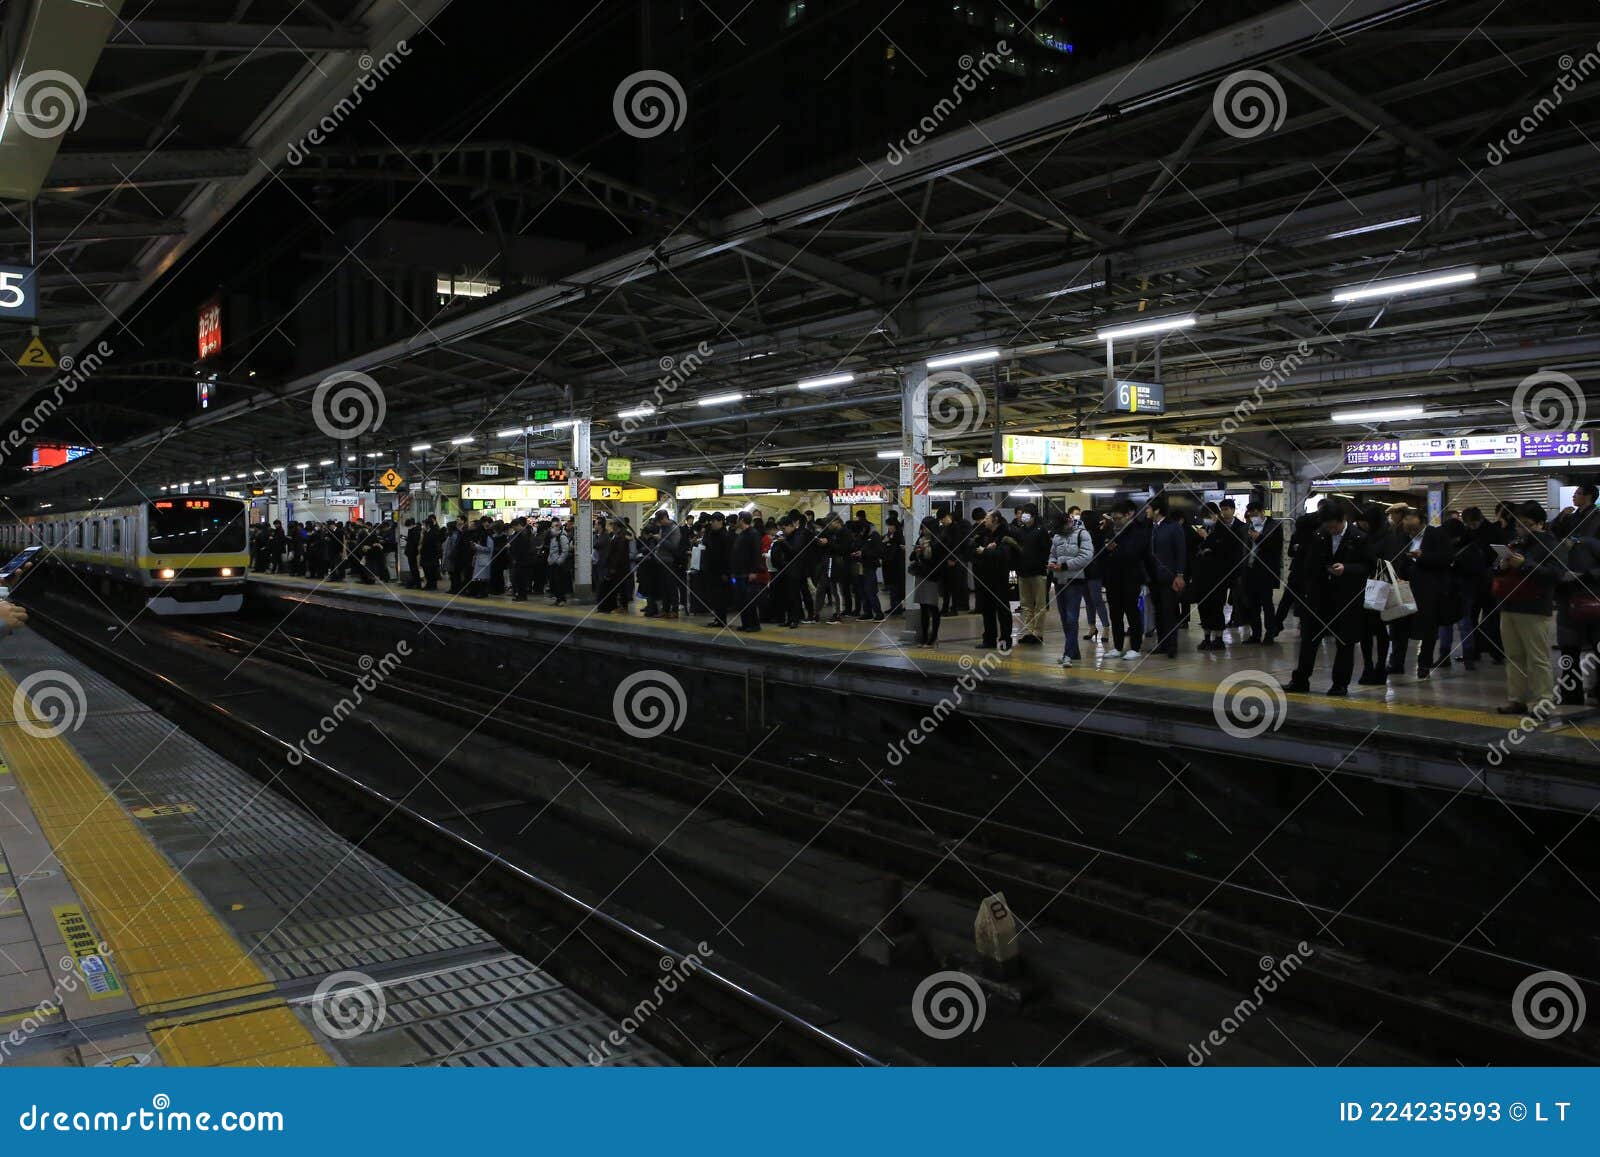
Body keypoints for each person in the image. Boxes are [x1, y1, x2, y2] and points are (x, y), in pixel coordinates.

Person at [1286, 506, 1371, 696]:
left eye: (1335, 527)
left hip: (1346, 598)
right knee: (1309, 639)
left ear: (1343, 519)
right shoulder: (1319, 535)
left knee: (1344, 642)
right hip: (1319, 596)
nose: (1332, 531)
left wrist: (1346, 568)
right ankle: (1300, 680)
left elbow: (1367, 567)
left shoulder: (1359, 537)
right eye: (1328, 527)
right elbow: (1310, 564)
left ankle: (1340, 684)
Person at [1494, 502, 1563, 714]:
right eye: (1518, 525)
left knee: (1537, 657)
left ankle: (1543, 700)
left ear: (1540, 523)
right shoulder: (1516, 542)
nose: (1522, 529)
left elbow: (1555, 574)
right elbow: (1494, 569)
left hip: (1534, 607)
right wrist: (1502, 566)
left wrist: (1524, 565)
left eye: (1527, 525)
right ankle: (1517, 699)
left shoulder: (1550, 543)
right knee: (1513, 655)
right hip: (1509, 604)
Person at [1394, 507, 1452, 679]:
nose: (1411, 532)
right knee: (1399, 626)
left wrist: (1423, 556)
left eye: (1414, 528)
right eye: (1407, 528)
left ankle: (1424, 664)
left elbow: (1447, 558)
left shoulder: (1437, 535)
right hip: (1404, 587)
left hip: (1428, 589)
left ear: (1423, 523)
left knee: (1428, 628)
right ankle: (1396, 662)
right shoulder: (1402, 537)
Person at [1102, 500, 1153, 660]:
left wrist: (1114, 549)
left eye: (1118, 518)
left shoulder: (1138, 531)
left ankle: (1135, 647)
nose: (1115, 522)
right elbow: (1103, 552)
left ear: (1128, 515)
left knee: (1132, 612)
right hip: (1113, 577)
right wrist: (1109, 550)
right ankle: (1117, 646)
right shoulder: (1111, 530)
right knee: (1115, 613)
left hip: (1131, 577)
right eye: (1113, 519)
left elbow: (1133, 553)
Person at [1049, 511, 1097, 666]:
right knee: (1064, 618)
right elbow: (1052, 554)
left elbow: (1086, 557)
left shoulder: (1083, 534)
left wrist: (1064, 565)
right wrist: (1052, 563)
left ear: (1069, 522)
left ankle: (1067, 654)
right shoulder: (1057, 536)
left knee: (1071, 617)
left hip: (1075, 581)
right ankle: (1074, 652)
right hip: (1059, 581)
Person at [971, 509, 1018, 650]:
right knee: (987, 609)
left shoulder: (1007, 534)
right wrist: (984, 551)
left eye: (987, 518)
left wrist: (986, 551)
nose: (985, 520)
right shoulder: (984, 533)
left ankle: (1005, 640)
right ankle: (989, 639)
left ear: (995, 519)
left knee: (1003, 609)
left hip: (1005, 576)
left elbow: (1004, 556)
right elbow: (972, 548)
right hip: (987, 576)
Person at [1148, 500, 1188, 658]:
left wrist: (1180, 574)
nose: (1146, 512)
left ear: (1157, 510)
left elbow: (1181, 552)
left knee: (1169, 611)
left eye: (1148, 509)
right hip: (1153, 577)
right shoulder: (1150, 528)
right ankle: (1162, 643)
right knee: (1158, 611)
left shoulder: (1173, 527)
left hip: (1169, 577)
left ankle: (1172, 645)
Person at [1239, 501, 1283, 644]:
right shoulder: (1247, 527)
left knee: (1267, 604)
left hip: (1265, 571)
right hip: (1250, 571)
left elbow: (1276, 547)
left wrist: (1260, 538)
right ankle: (1255, 634)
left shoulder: (1274, 526)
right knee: (1252, 605)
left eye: (1256, 513)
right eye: (1251, 514)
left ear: (1263, 512)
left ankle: (1270, 633)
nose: (1253, 516)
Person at [1012, 504, 1051, 646]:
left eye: (1026, 513)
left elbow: (1046, 551)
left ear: (1033, 515)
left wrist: (1041, 564)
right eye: (1023, 513)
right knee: (1026, 604)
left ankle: (1038, 632)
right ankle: (1028, 631)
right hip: (1023, 572)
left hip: (1038, 572)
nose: (1023, 516)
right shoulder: (1020, 531)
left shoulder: (1042, 531)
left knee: (1040, 604)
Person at [908, 515, 947, 645]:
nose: (924, 530)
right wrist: (918, 552)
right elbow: (911, 556)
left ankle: (932, 637)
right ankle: (924, 636)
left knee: (932, 606)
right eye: (922, 527)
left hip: (932, 577)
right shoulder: (921, 539)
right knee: (923, 607)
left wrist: (926, 553)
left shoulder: (938, 541)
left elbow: (938, 560)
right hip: (921, 575)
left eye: (926, 528)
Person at [730, 512, 766, 632]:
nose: (737, 521)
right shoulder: (742, 534)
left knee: (749, 600)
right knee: (741, 600)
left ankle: (754, 624)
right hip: (739, 572)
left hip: (747, 573)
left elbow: (756, 553)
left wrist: (754, 571)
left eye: (738, 519)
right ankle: (745, 623)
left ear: (742, 520)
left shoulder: (753, 534)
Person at [700, 512, 733, 627]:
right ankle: (717, 618)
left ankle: (722, 620)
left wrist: (726, 572)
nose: (712, 523)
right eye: (711, 521)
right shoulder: (711, 534)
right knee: (714, 596)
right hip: (711, 570)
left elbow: (727, 555)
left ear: (721, 522)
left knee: (721, 597)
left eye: (714, 521)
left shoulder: (725, 536)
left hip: (721, 572)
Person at [882, 513, 906, 616]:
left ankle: (897, 607)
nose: (889, 528)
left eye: (890, 526)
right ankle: (894, 606)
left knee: (896, 587)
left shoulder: (898, 536)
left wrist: (889, 541)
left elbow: (895, 546)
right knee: (892, 587)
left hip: (896, 565)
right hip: (889, 565)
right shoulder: (889, 535)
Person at [546, 519, 573, 605]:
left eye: (553, 526)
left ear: (558, 527)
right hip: (552, 562)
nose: (551, 528)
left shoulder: (562, 537)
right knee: (553, 582)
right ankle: (558, 599)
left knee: (559, 582)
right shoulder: (553, 537)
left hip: (558, 564)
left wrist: (559, 561)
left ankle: (562, 599)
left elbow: (565, 551)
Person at [508, 516, 533, 600]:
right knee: (518, 578)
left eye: (514, 527)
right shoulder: (518, 534)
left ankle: (522, 595)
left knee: (521, 578)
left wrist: (511, 547)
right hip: (518, 559)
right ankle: (520, 594)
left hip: (522, 560)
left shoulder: (524, 534)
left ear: (518, 525)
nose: (514, 529)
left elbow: (522, 548)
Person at [403, 518, 421, 589]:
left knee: (414, 568)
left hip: (413, 552)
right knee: (413, 568)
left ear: (411, 524)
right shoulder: (413, 530)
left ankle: (416, 583)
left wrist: (408, 539)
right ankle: (415, 583)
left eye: (408, 526)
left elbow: (414, 542)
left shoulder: (415, 531)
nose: (407, 527)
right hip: (411, 552)